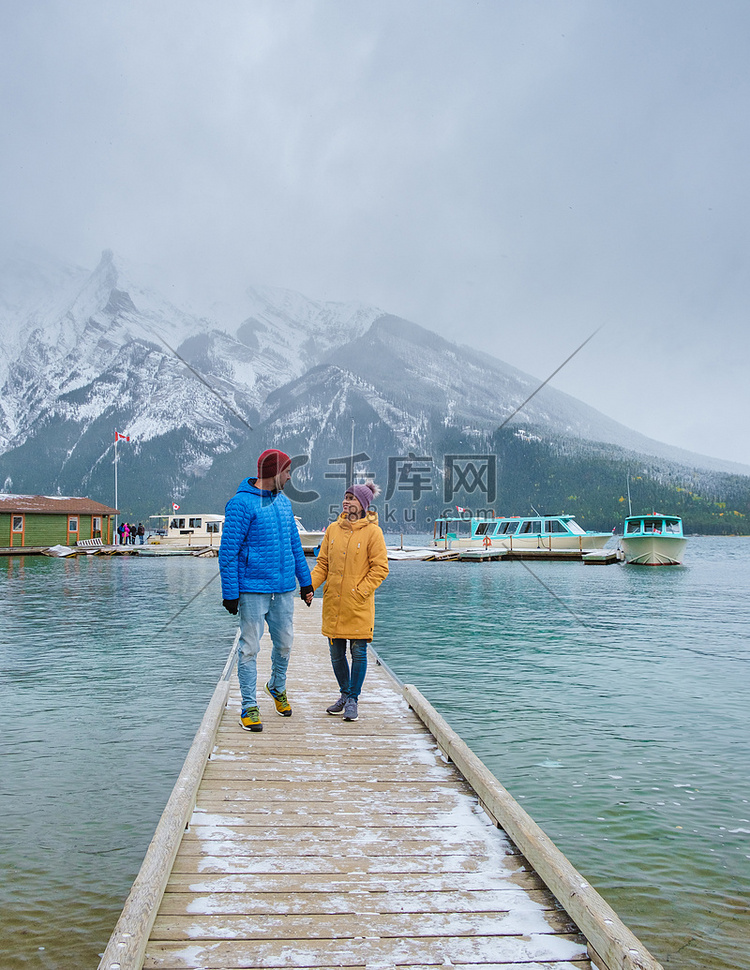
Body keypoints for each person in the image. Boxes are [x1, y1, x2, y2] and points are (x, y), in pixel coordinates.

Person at [219, 448, 313, 733]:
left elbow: (295, 546)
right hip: (251, 590)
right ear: (274, 472)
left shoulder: (284, 504)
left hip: (284, 589)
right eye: (287, 472)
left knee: (285, 643)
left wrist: (305, 582)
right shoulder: (240, 505)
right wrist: (230, 592)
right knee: (250, 648)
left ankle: (276, 686)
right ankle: (249, 707)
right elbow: (228, 552)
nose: (289, 477)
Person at [309, 481, 389, 722]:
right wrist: (309, 587)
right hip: (334, 602)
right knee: (336, 653)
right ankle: (344, 694)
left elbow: (380, 568)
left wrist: (359, 591)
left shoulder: (373, 532)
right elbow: (323, 564)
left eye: (352, 498)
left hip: (358, 604)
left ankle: (354, 698)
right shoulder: (333, 529)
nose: (346, 501)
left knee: (359, 651)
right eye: (345, 497)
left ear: (363, 505)